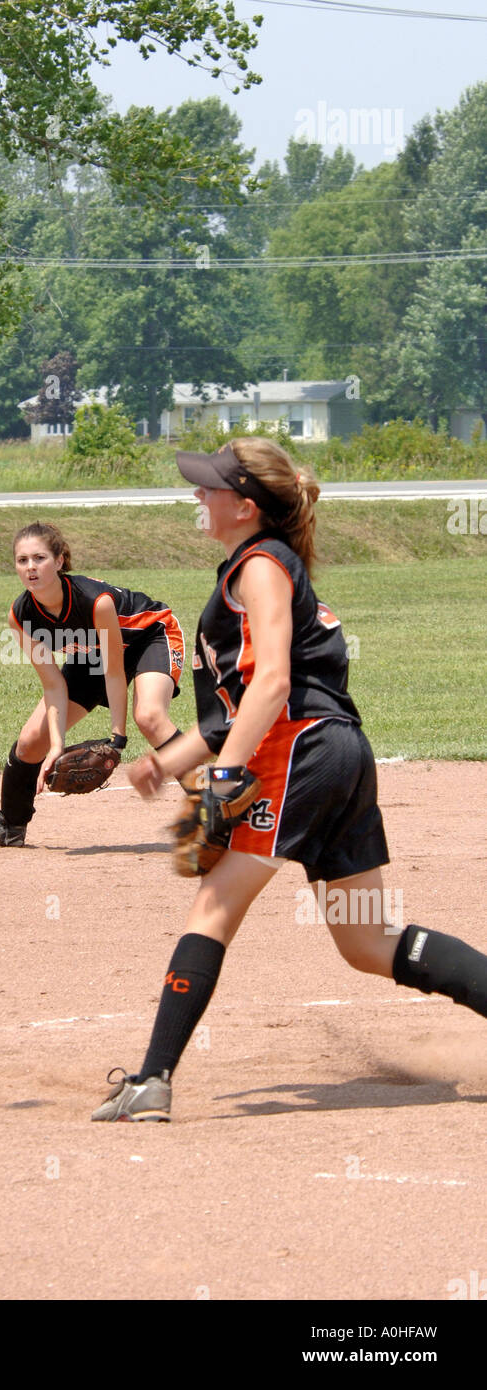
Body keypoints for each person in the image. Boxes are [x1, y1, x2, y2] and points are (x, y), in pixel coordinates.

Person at [92, 437, 487, 1122]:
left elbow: (273, 683)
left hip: (299, 749)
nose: (198, 496)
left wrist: (226, 776)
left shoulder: (262, 565)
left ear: (245, 507)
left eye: (210, 487)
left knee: (214, 904)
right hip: (338, 753)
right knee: (368, 943)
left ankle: (152, 1080)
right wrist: (166, 761)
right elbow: (237, 711)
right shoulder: (255, 568)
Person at [0, 521, 186, 847]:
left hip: (150, 637)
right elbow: (54, 687)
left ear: (60, 561)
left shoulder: (94, 602)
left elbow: (114, 672)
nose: (31, 567)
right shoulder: (21, 615)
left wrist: (118, 738)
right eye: (22, 560)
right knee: (33, 740)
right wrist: (57, 744)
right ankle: (10, 825)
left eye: (40, 558)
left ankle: (218, 809)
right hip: (93, 656)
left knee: (149, 716)